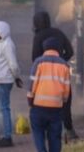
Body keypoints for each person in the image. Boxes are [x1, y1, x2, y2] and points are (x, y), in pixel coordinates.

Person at [30, 10, 78, 141]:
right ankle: (69, 130)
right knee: (65, 102)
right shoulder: (58, 33)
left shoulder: (38, 36)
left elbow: (34, 58)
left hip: (44, 75)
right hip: (61, 72)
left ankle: (48, 131)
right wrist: (61, 60)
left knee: (44, 103)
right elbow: (70, 51)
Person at [28, 37, 72, 152]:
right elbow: (66, 88)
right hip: (56, 107)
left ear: (45, 48)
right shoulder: (64, 65)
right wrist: (63, 101)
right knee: (55, 135)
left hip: (39, 105)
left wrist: (30, 99)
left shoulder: (38, 62)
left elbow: (32, 83)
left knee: (37, 130)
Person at [0, 21, 22, 147]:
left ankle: (7, 137)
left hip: (4, 80)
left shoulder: (7, 45)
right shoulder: (0, 43)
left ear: (1, 32)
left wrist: (17, 77)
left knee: (4, 107)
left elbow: (13, 64)